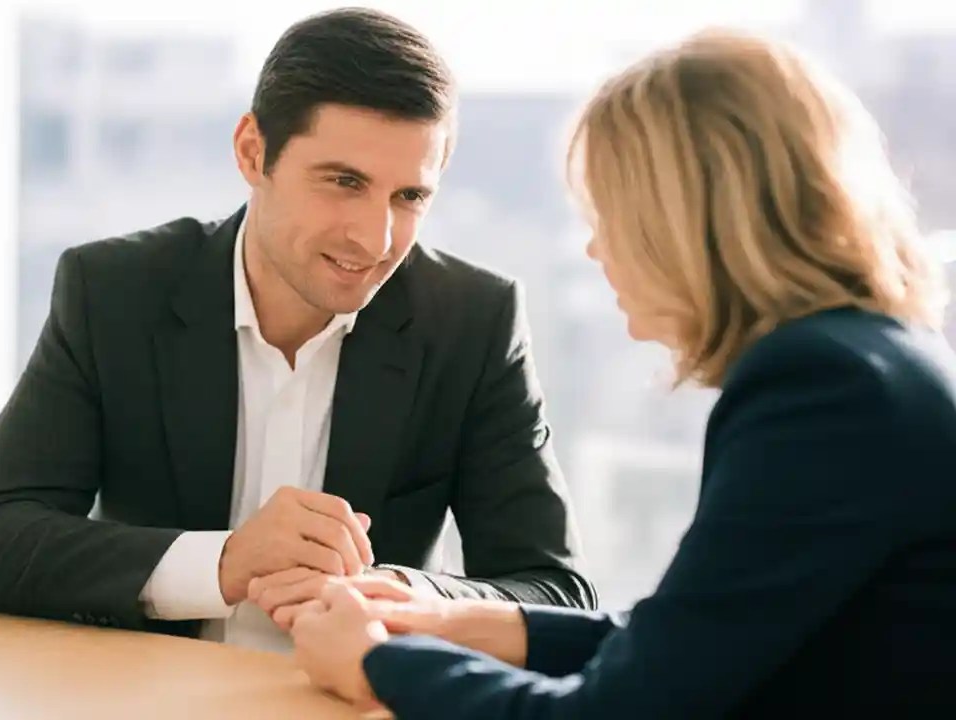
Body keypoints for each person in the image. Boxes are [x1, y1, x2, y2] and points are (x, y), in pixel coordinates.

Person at [290, 28, 956, 716]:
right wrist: (456, 624)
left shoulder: (820, 391)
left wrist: (377, 663)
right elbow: (697, 641)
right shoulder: (877, 359)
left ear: (684, 222)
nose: (595, 247)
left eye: (610, 216)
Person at [0, 7, 595, 653]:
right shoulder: (114, 291)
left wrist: (403, 599)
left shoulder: (473, 324)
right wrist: (223, 563)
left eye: (409, 197)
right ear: (253, 152)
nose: (375, 238)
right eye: (344, 182)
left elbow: (560, 593)